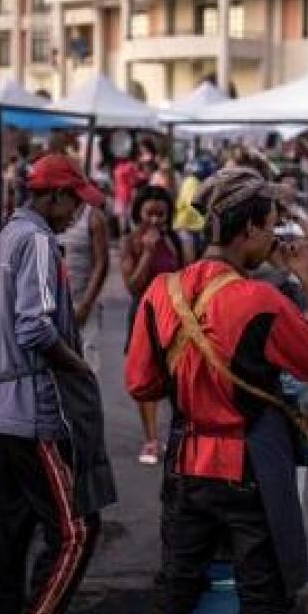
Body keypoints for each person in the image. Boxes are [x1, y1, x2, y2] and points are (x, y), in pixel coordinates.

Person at [125, 166, 308, 614]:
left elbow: (141, 385)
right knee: (263, 595)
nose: (272, 239)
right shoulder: (261, 300)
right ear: (248, 229)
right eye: (269, 227)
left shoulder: (161, 290)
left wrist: (190, 379)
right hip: (248, 470)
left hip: (186, 465)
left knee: (175, 588)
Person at [0, 153, 116, 614]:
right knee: (76, 531)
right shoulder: (35, 240)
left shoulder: (6, 238)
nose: (77, 214)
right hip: (35, 409)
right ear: (53, 196)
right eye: (74, 202)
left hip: (6, 407)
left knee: (14, 530)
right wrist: (77, 366)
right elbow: (34, 327)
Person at [120, 185, 190, 465]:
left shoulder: (176, 240)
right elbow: (132, 286)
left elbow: (187, 276)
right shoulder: (131, 242)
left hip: (172, 314)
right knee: (145, 375)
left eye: (161, 214)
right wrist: (148, 253)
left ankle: (179, 433)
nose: (155, 220)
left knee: (178, 376)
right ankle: (151, 440)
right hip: (143, 314)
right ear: (139, 213)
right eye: (150, 213)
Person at [58, 188, 109, 373]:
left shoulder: (93, 217)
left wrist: (86, 305)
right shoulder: (49, 216)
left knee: (87, 361)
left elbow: (101, 263)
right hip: (55, 304)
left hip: (83, 301)